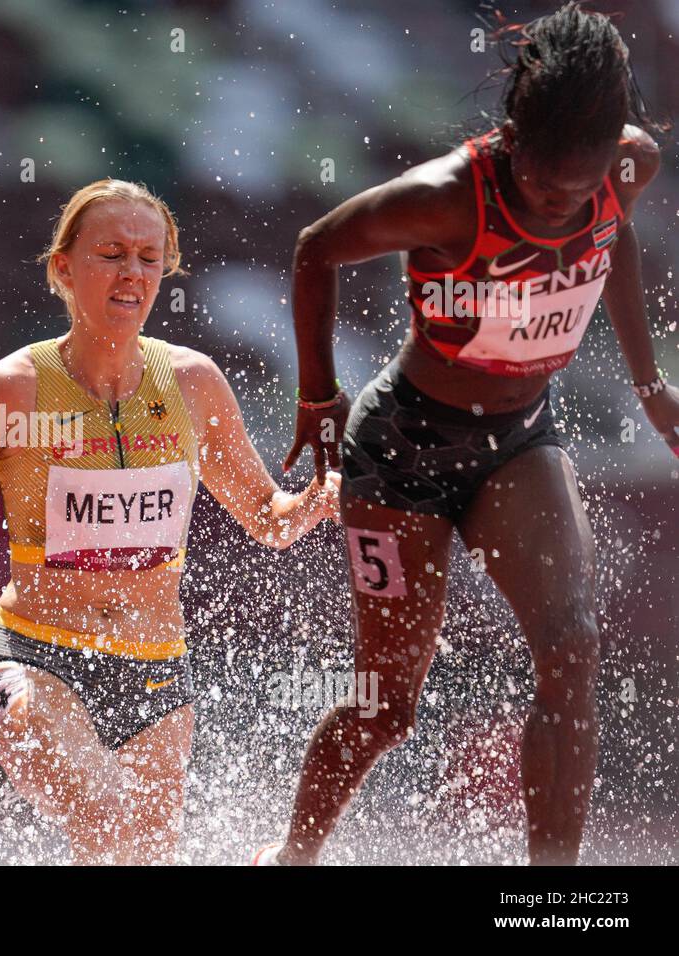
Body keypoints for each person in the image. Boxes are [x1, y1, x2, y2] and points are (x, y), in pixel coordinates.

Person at [258, 2, 677, 866]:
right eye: (543, 189)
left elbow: (613, 239)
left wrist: (651, 384)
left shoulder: (629, 166)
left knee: (572, 649)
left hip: (520, 437)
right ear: (513, 139)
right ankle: (292, 858)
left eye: (579, 190)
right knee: (386, 705)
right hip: (404, 449)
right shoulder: (448, 195)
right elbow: (313, 249)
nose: (562, 209)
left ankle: (551, 891)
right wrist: (317, 396)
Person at [0, 178, 341, 864]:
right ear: (63, 270)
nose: (133, 273)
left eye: (148, 258)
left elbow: (267, 520)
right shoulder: (12, 387)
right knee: (104, 812)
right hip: (36, 659)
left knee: (131, 855)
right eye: (112, 254)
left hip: (159, 673)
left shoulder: (194, 385)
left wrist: (322, 494)